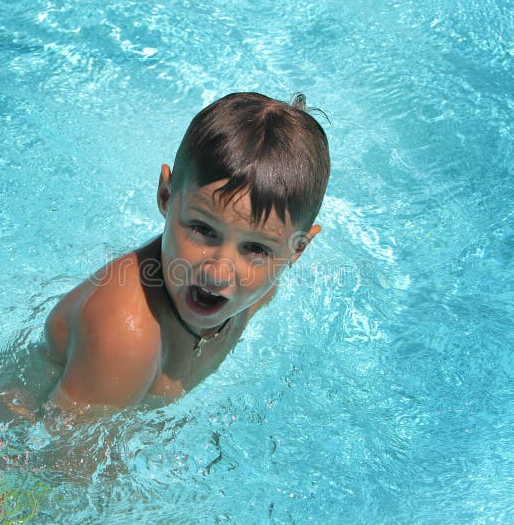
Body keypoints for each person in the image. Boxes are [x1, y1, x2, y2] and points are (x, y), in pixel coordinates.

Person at [42, 92, 330, 416]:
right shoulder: (124, 336)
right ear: (166, 196)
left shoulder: (257, 290)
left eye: (255, 248)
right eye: (203, 229)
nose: (218, 272)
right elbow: (59, 448)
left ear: (296, 249)